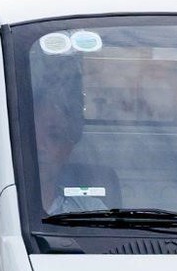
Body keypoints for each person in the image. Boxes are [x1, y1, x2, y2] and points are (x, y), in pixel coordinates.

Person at [28, 52, 120, 215]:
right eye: (32, 133)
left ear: (67, 149)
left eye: (54, 136)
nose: (40, 146)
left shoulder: (91, 212)